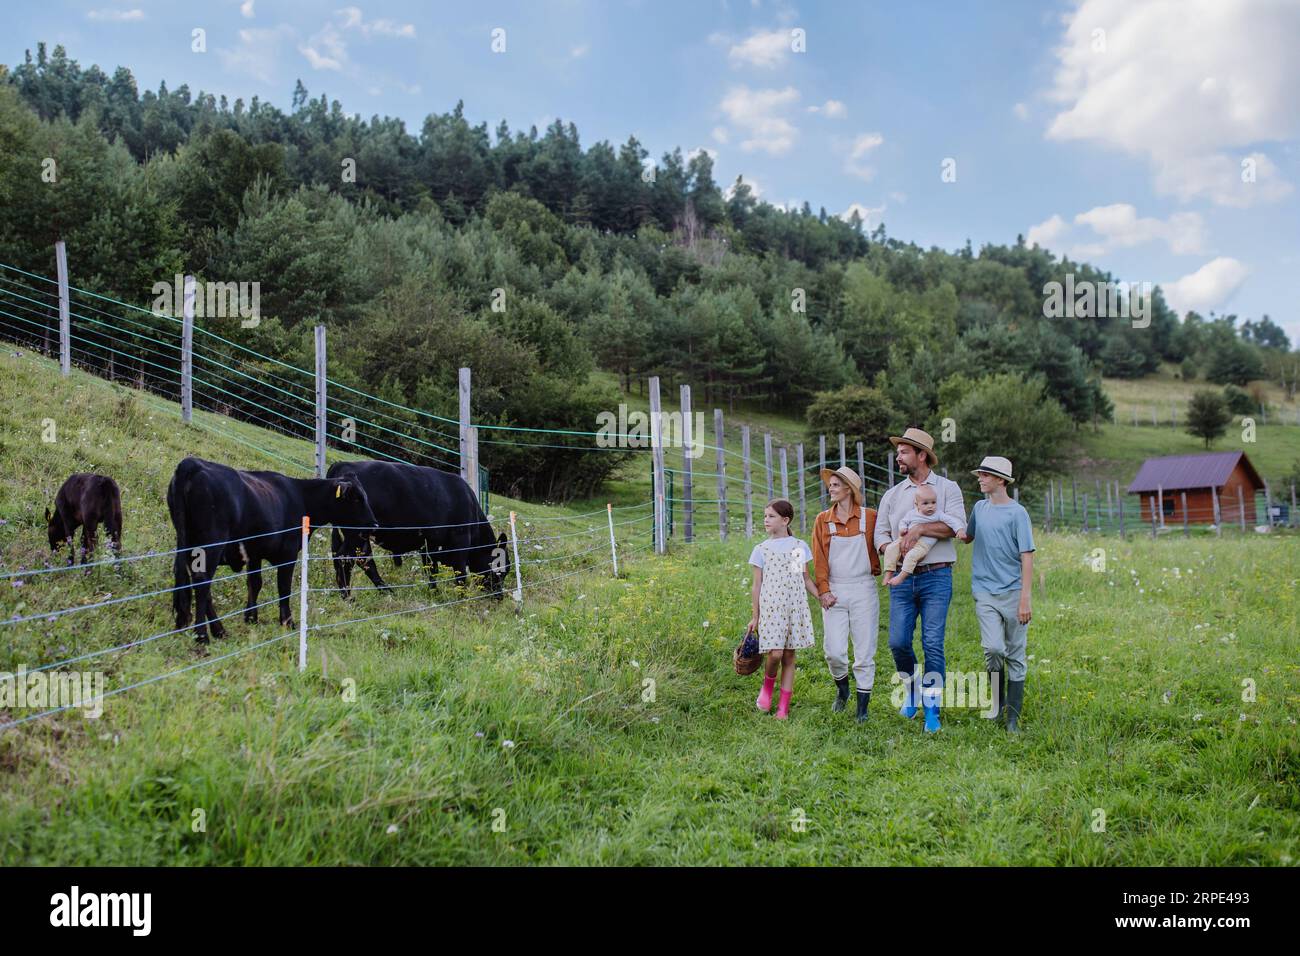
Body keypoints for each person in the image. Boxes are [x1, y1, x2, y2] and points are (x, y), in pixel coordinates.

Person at [874, 428, 965, 734]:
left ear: (921, 455)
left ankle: (932, 709)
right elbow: (880, 536)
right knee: (898, 642)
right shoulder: (893, 495)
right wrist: (893, 549)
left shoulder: (948, 488)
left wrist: (920, 531)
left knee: (933, 643)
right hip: (902, 578)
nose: (898, 457)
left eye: (903, 452)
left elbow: (956, 528)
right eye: (898, 452)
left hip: (937, 576)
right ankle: (912, 689)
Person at [958, 456, 1034, 733]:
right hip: (985, 591)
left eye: (984, 475)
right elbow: (967, 536)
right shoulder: (979, 508)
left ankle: (1012, 716)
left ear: (1000, 480)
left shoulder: (1018, 513)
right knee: (993, 648)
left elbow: (1027, 557)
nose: (980, 479)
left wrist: (1025, 598)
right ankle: (996, 703)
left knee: (1015, 653)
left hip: (1014, 593)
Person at [811, 466, 881, 723]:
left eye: (837, 484)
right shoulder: (822, 520)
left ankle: (863, 709)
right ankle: (843, 690)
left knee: (864, 652)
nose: (831, 488)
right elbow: (819, 559)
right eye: (830, 484)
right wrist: (824, 591)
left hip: (863, 588)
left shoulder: (870, 518)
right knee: (834, 651)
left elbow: (886, 543)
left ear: (850, 489)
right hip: (835, 590)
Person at [748, 499, 819, 720]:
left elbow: (804, 577)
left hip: (793, 606)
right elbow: (757, 585)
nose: (766, 520)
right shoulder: (762, 549)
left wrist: (821, 596)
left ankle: (783, 708)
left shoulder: (798, 546)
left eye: (771, 516)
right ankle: (767, 688)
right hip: (771, 608)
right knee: (775, 653)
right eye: (765, 516)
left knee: (789, 655)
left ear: (785, 520)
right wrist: (755, 616)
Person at [882, 485, 964, 587]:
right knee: (890, 548)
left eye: (933, 502)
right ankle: (889, 572)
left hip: (923, 545)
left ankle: (901, 576)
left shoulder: (938, 514)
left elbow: (952, 521)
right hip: (905, 539)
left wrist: (959, 530)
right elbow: (903, 521)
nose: (930, 506)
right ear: (917, 504)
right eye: (925, 503)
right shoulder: (912, 513)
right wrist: (902, 528)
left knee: (911, 556)